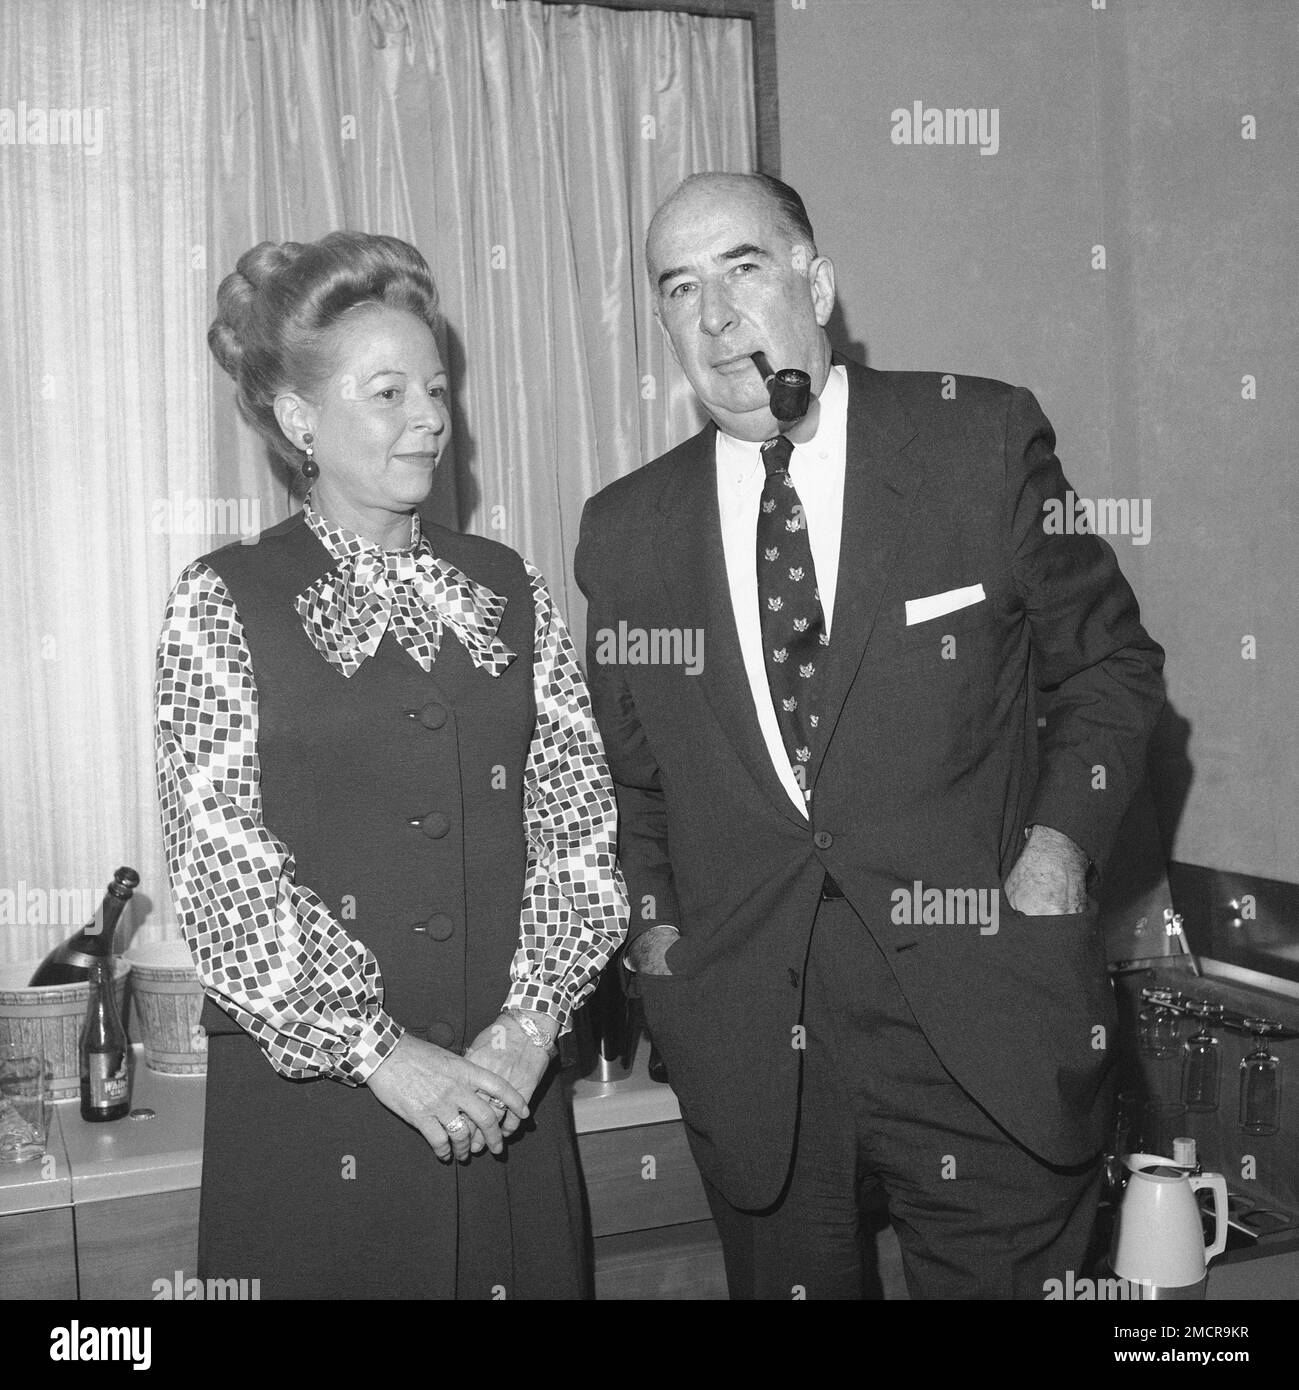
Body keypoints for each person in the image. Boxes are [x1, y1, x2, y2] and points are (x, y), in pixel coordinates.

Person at [574, 173, 1166, 1299]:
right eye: (679, 288)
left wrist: (1057, 852)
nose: (715, 315)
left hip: (986, 1021)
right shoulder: (626, 531)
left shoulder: (977, 437)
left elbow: (1113, 667)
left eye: (744, 269)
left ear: (820, 284)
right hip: (758, 1055)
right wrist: (661, 947)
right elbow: (633, 785)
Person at [155, 231, 627, 1299]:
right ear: (297, 421)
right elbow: (224, 882)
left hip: (511, 1097)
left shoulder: (511, 586)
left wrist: (532, 1024)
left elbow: (581, 832)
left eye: (436, 387)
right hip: (320, 1116)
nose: (430, 416)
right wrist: (383, 1054)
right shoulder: (221, 600)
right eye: (387, 392)